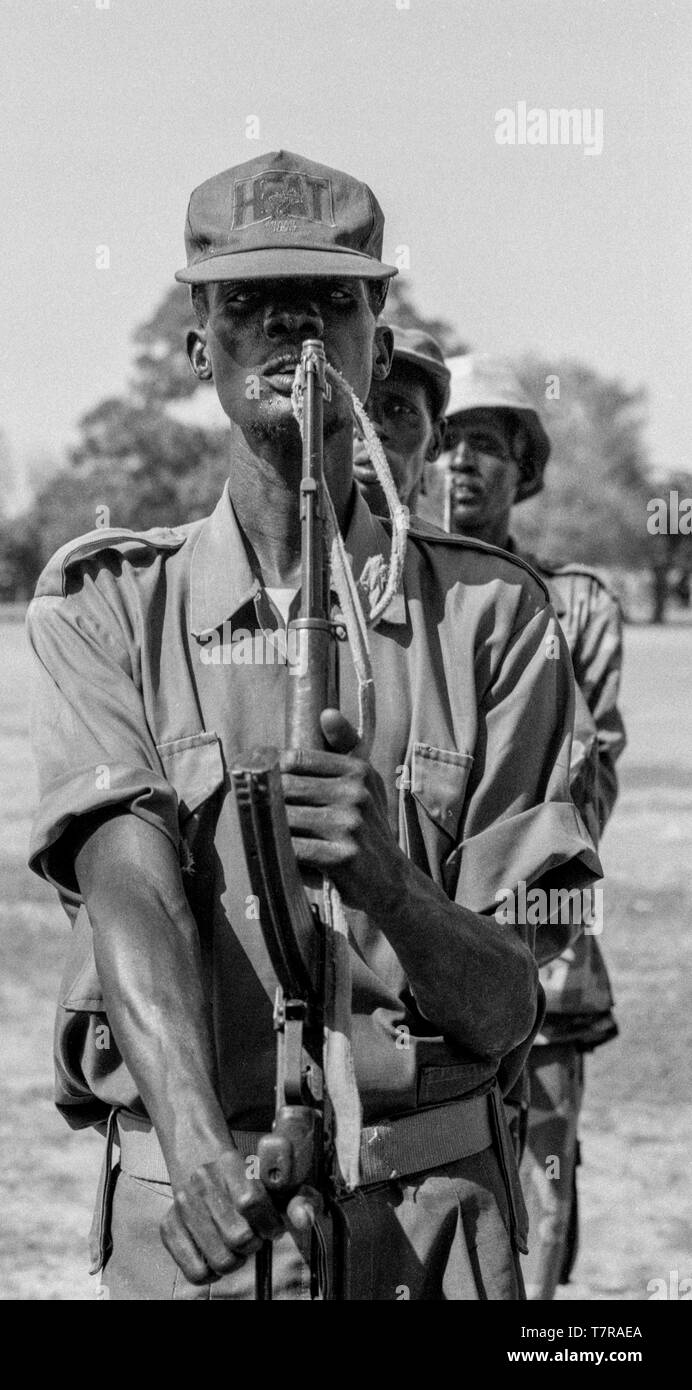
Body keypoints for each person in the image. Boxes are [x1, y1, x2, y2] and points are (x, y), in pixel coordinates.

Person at [26, 152, 599, 1300]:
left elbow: (507, 1002)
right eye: (247, 303)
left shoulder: (493, 618)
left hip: (429, 1232)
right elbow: (127, 884)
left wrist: (394, 885)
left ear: (378, 342)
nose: (291, 330)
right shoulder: (108, 605)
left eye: (331, 301)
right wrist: (195, 1145)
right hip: (196, 1225)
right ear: (201, 346)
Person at [425, 354, 626, 1300]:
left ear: (522, 469)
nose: (464, 464)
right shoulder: (399, 597)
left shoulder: (576, 602)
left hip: (544, 943)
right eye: (450, 441)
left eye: (488, 447)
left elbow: (589, 778)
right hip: (420, 939)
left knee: (543, 1166)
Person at [351, 326, 449, 513]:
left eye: (400, 410)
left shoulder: (445, 544)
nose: (372, 428)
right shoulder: (288, 541)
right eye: (354, 405)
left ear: (435, 440)